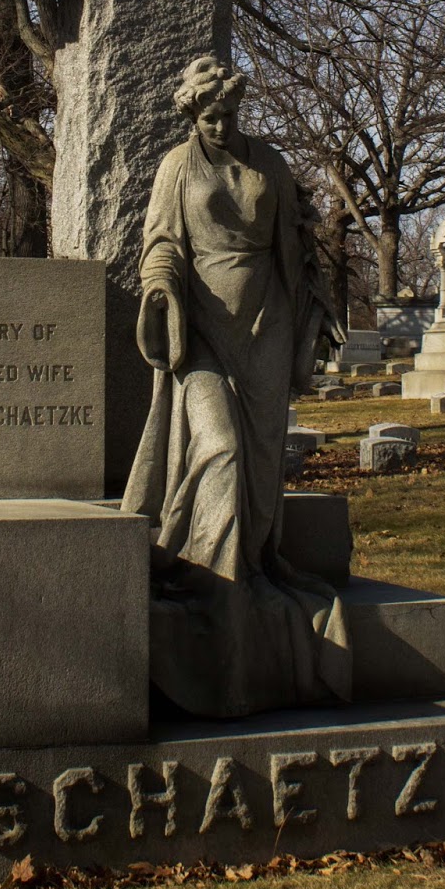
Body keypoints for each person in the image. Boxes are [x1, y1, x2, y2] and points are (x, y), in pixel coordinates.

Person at [121, 54, 351, 718]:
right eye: (208, 116)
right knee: (219, 448)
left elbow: (296, 245)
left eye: (228, 114)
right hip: (204, 332)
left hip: (267, 327)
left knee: (257, 463)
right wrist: (162, 290)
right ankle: (219, 593)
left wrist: (314, 308)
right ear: (194, 113)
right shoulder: (176, 168)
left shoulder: (267, 163)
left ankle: (246, 567)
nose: (220, 125)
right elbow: (161, 244)